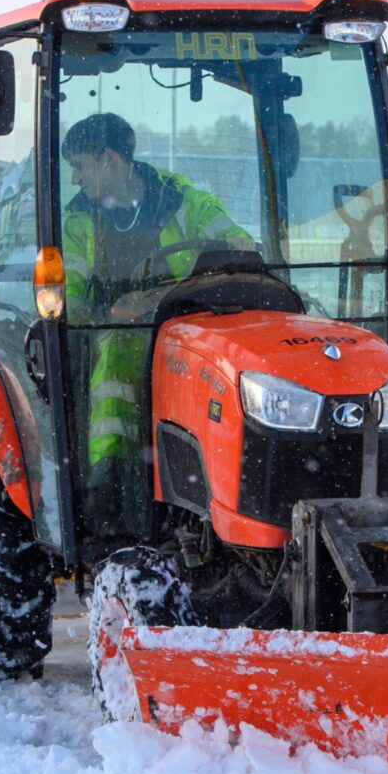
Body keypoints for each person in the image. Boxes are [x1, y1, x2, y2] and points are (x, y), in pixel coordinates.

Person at [59, 112, 253, 533]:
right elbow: (68, 303)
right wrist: (101, 312)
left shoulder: (180, 200)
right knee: (113, 353)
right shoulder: (77, 222)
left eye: (78, 165)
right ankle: (107, 485)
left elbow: (237, 245)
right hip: (112, 337)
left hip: (185, 331)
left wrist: (237, 243)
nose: (74, 179)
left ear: (108, 159)